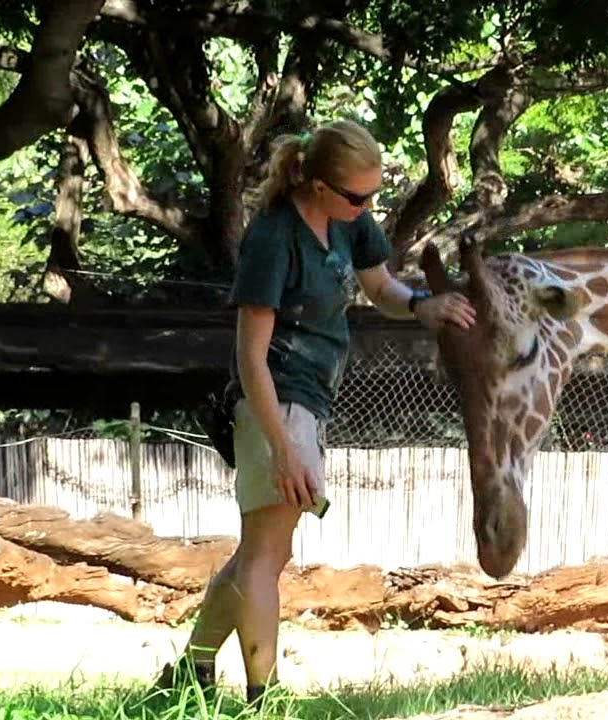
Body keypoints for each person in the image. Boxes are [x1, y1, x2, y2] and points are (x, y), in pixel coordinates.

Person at [155, 119, 475, 706]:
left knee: (266, 551)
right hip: (272, 402)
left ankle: (189, 675)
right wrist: (280, 446)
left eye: (374, 194)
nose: (368, 205)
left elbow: (382, 289)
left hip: (310, 401)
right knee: (265, 554)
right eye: (359, 196)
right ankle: (263, 695)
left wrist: (426, 306)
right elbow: (249, 355)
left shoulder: (349, 222)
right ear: (319, 185)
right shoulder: (273, 239)